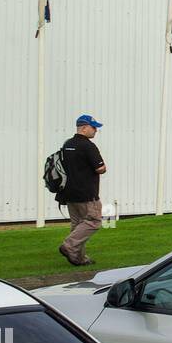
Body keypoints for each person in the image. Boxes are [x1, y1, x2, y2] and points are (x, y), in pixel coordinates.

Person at [57, 114, 107, 267]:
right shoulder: (88, 146)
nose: (96, 131)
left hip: (69, 193)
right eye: (94, 127)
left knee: (78, 225)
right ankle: (69, 245)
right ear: (84, 127)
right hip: (87, 193)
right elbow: (100, 168)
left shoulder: (67, 144)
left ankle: (78, 258)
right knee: (94, 221)